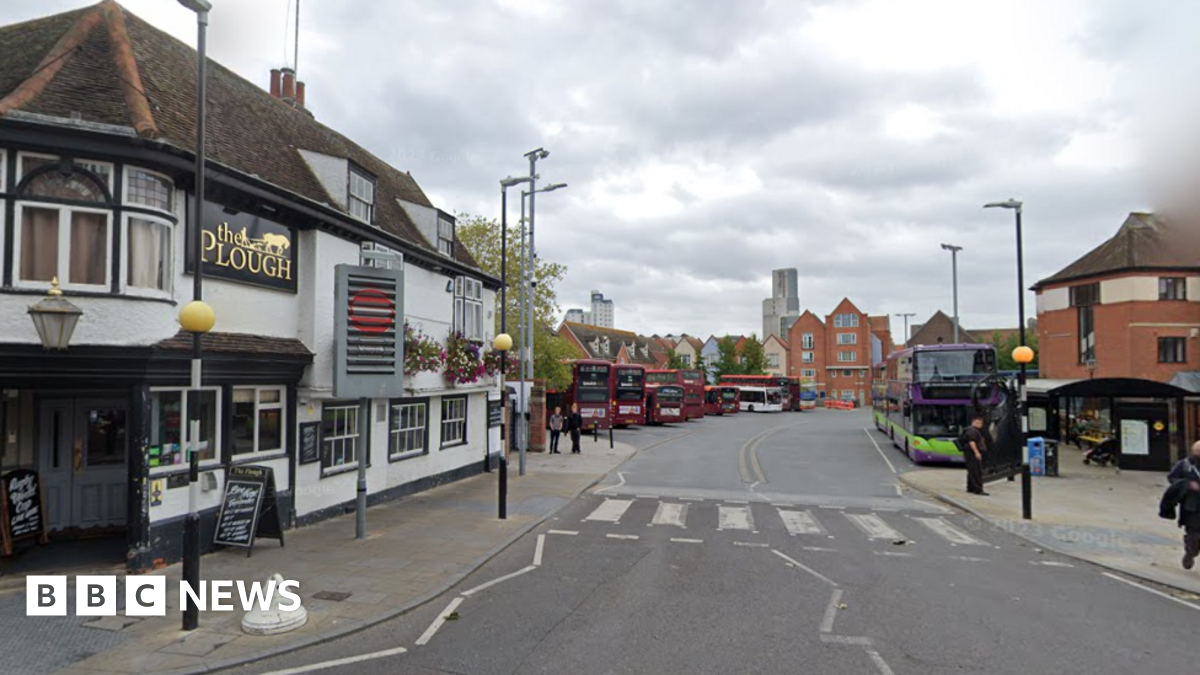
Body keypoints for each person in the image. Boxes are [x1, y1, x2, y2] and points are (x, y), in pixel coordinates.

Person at [1165, 441, 1200, 569]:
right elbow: (1172, 478)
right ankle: (1191, 552)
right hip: (1192, 506)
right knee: (1194, 535)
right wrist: (1188, 484)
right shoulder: (1184, 465)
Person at [961, 414, 989, 496]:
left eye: (980, 423)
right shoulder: (972, 431)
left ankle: (970, 487)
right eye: (977, 423)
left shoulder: (972, 430)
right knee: (976, 471)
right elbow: (971, 442)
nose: (979, 425)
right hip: (972, 454)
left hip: (970, 453)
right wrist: (977, 452)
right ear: (973, 422)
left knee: (971, 470)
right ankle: (978, 489)